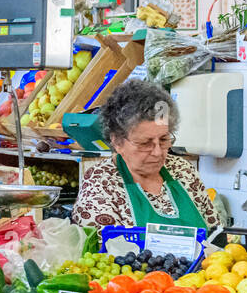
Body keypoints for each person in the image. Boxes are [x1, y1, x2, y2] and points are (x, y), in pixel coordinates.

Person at [71, 79, 219, 231]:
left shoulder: (182, 171)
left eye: (163, 139)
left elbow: (216, 235)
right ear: (117, 142)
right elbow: (105, 250)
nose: (157, 152)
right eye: (145, 143)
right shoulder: (100, 185)